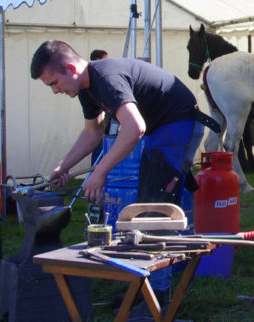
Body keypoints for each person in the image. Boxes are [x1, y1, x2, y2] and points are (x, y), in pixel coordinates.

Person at [30, 40, 209, 310]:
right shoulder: (86, 89)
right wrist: (63, 166)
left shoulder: (106, 77)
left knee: (155, 212)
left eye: (53, 83)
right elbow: (93, 132)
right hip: (161, 129)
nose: (55, 90)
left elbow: (134, 127)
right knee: (144, 207)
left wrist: (99, 172)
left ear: (70, 68)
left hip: (179, 122)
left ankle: (158, 299)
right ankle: (146, 287)